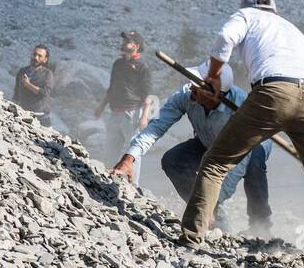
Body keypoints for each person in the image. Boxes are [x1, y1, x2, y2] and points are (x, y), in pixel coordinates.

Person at [177, 0, 304, 268]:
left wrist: (212, 75)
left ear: (249, 8)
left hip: (273, 93)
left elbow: (225, 39)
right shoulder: (292, 29)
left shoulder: (247, 16)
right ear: (274, 10)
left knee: (215, 163)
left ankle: (191, 239)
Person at [108, 62, 273, 234]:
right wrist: (129, 157)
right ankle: (206, 213)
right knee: (173, 160)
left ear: (215, 93)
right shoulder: (186, 95)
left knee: (255, 162)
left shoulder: (240, 105)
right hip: (208, 142)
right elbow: (156, 126)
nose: (192, 86)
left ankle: (260, 227)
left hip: (248, 146)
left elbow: (238, 164)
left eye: (198, 84)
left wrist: (213, 199)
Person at [94, 30, 154, 182]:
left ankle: (133, 185)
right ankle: (107, 179)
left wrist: (144, 116)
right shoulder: (118, 64)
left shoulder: (142, 67)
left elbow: (148, 94)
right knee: (110, 150)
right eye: (124, 41)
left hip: (132, 113)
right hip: (115, 112)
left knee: (133, 152)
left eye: (127, 41)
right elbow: (111, 87)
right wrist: (101, 107)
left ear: (136, 45)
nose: (123, 43)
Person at [13, 44, 55, 126]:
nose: (36, 58)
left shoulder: (47, 74)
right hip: (23, 115)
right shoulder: (22, 71)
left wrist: (28, 85)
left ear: (45, 59)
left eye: (40, 56)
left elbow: (45, 93)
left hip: (40, 117)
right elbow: (16, 93)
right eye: (34, 54)